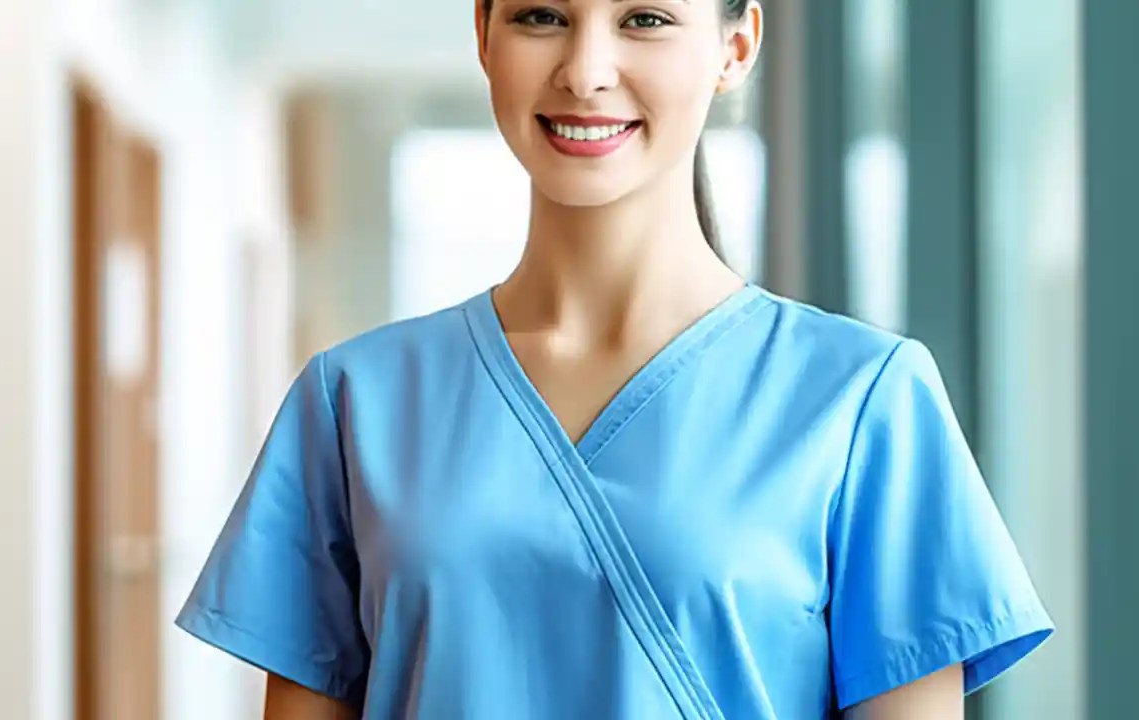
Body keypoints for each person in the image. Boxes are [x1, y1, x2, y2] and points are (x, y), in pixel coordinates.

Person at [175, 0, 1054, 717]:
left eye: (644, 19)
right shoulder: (354, 403)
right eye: (542, 16)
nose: (586, 70)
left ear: (736, 46)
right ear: (483, 34)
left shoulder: (862, 400)